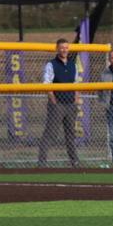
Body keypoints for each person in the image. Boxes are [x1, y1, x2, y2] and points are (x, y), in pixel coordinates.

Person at [37, 38, 81, 167]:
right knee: (50, 134)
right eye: (62, 48)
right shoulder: (51, 64)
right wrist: (54, 101)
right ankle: (42, 162)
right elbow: (47, 84)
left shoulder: (73, 64)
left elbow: (76, 83)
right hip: (58, 105)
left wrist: (76, 100)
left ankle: (75, 162)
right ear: (57, 49)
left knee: (70, 135)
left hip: (71, 104)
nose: (64, 50)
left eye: (66, 47)